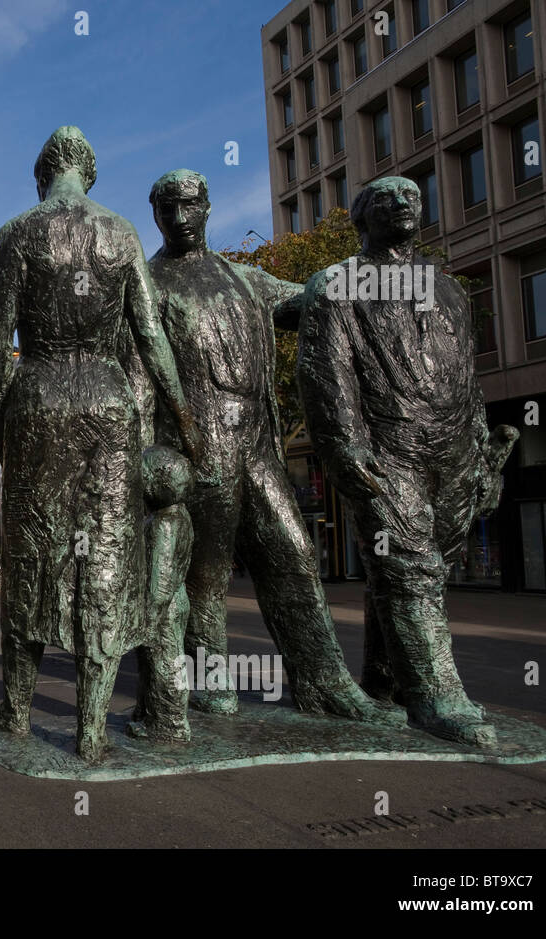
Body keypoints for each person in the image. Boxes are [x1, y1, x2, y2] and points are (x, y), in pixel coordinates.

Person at [141, 168, 399, 726]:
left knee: (294, 555)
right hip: (193, 447)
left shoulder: (245, 280)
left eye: (188, 204)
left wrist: (375, 268)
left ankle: (324, 682)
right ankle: (212, 688)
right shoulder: (146, 284)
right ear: (155, 215)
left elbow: (314, 298)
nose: (180, 218)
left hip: (258, 450)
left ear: (207, 206)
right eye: (167, 208)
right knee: (204, 577)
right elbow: (138, 378)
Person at [0, 127, 202, 763]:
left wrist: (4, 424)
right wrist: (181, 418)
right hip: (108, 406)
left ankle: (17, 712)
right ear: (89, 174)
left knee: (30, 555)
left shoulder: (17, 233)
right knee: (103, 557)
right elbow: (152, 339)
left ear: (43, 174)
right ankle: (91, 732)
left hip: (39, 400)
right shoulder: (123, 233)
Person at [297, 176, 518, 746]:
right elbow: (327, 375)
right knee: (410, 569)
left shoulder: (447, 290)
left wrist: (480, 452)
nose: (402, 203)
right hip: (384, 451)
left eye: (412, 196)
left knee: (415, 570)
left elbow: (468, 378)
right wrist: (345, 447)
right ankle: (437, 697)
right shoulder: (336, 286)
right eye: (385, 197)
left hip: (449, 452)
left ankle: (386, 682)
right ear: (361, 218)